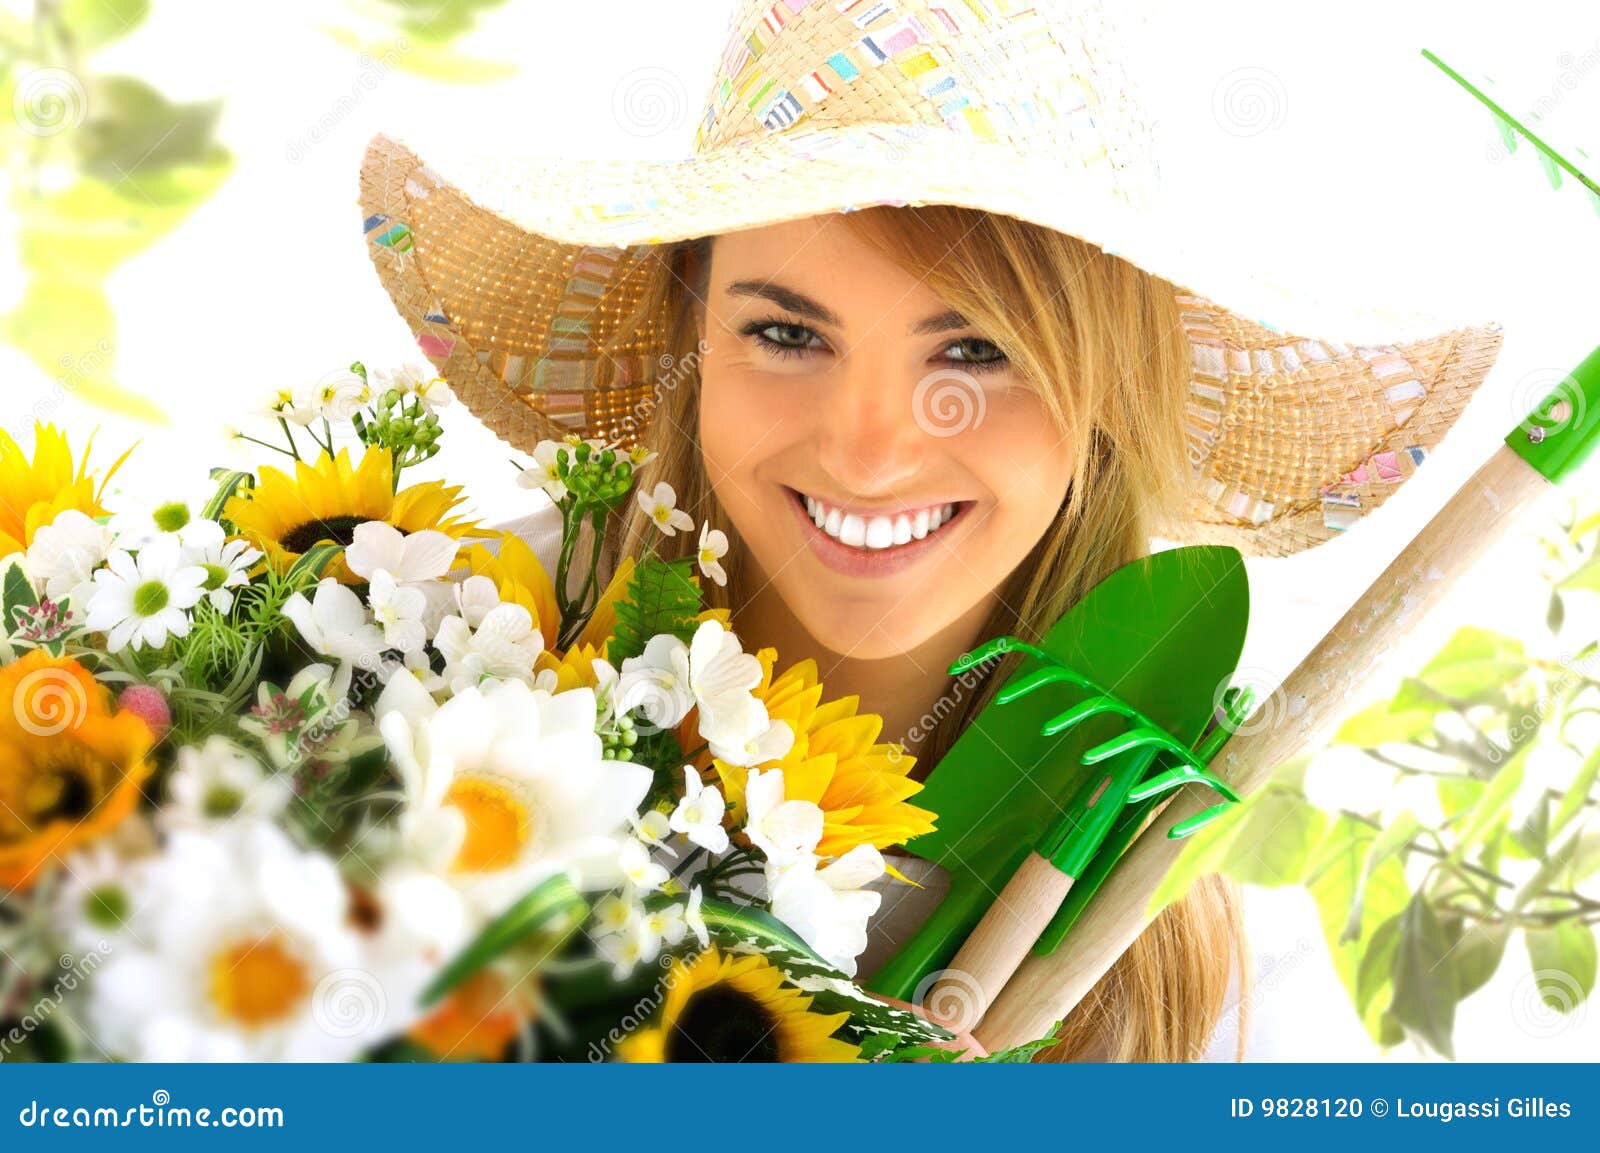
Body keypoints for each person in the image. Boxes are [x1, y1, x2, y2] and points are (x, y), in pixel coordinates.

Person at [357, 0, 1502, 1060]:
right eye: (786, 334)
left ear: (1105, 387)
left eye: (977, 351)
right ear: (683, 333)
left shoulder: (1133, 931)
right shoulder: (429, 663)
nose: (869, 453)